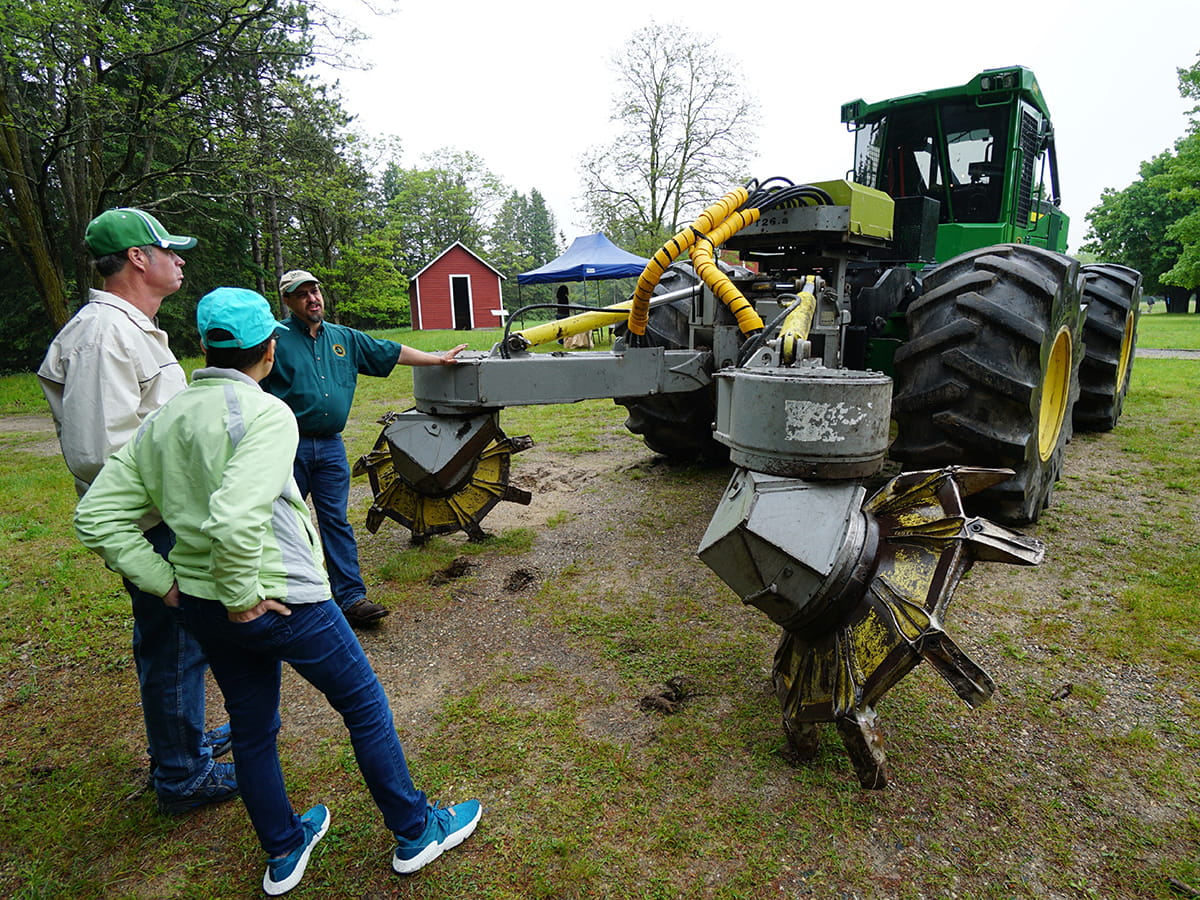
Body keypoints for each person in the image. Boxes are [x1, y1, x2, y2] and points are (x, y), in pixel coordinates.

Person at [74, 287, 482, 896]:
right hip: (285, 600)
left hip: (202, 604)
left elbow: (96, 516)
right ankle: (416, 830)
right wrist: (242, 597)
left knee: (251, 728)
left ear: (204, 345)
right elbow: (235, 518)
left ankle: (285, 847)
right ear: (269, 348)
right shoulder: (266, 414)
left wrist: (165, 584)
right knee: (364, 707)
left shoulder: (163, 419)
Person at [37, 207, 235, 815]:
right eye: (169, 249)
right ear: (137, 259)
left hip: (165, 516)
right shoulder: (104, 336)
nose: (180, 259)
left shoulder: (131, 329)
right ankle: (181, 774)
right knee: (174, 641)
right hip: (152, 526)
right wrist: (175, 502)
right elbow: (100, 455)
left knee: (180, 639)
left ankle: (182, 742)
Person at [263, 269, 467, 626]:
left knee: (335, 521)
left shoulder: (344, 338)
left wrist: (438, 360)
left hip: (330, 447)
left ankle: (351, 598)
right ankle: (283, 600)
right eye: (302, 294)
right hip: (288, 445)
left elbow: (390, 351)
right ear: (288, 301)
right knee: (284, 522)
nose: (312, 299)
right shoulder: (274, 339)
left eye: (315, 291)